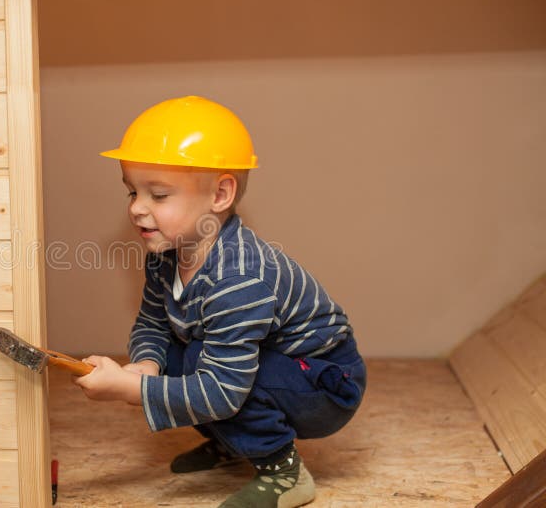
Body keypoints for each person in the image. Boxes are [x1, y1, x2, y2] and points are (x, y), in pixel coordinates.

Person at [74, 95, 366, 508]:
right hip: (267, 364)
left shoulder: (239, 279)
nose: (137, 209)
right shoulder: (167, 256)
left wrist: (130, 388)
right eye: (131, 192)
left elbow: (224, 390)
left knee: (206, 368)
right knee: (182, 356)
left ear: (220, 194)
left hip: (326, 381)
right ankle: (240, 443)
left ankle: (285, 474)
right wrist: (145, 365)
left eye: (158, 195)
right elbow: (153, 324)